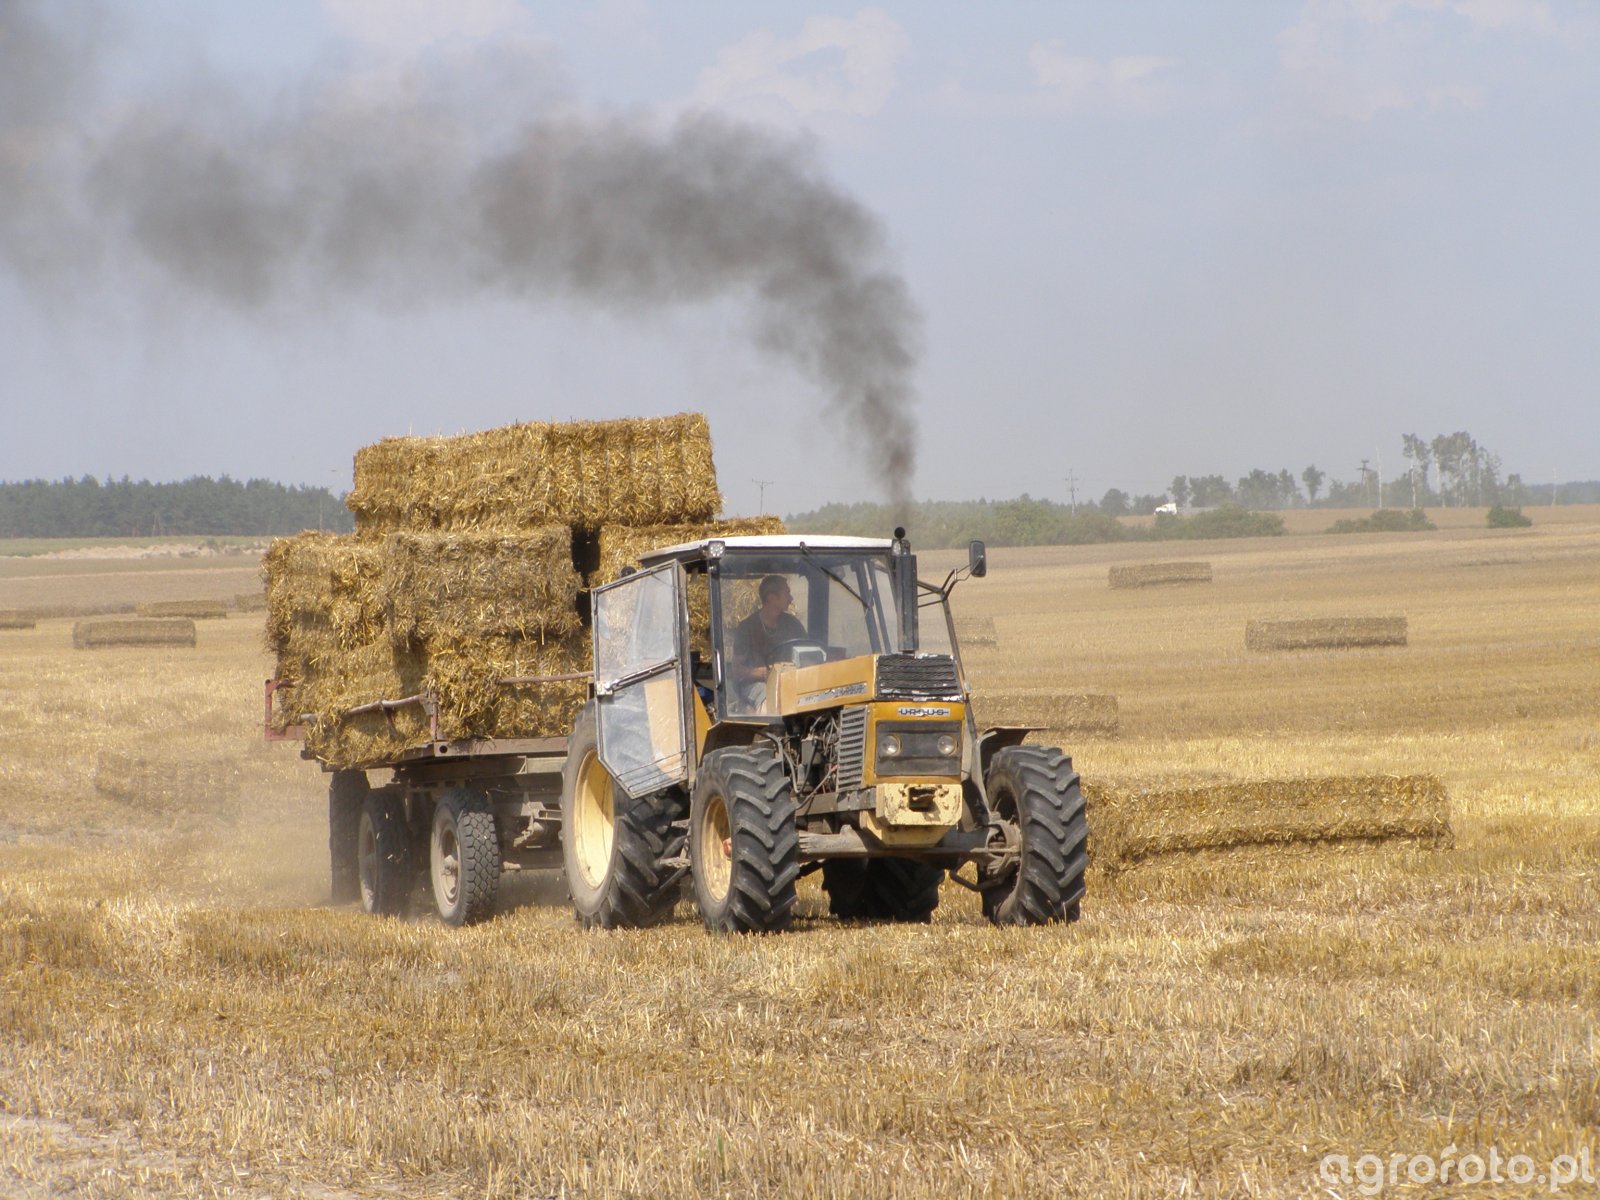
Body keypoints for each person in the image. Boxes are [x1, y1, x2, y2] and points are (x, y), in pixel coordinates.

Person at [731, 574, 805, 710]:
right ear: (772, 597)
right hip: (756, 684)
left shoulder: (793, 625)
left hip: (790, 680)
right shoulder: (747, 628)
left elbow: (808, 651)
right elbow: (736, 670)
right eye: (787, 593)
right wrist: (759, 673)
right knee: (771, 701)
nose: (791, 598)